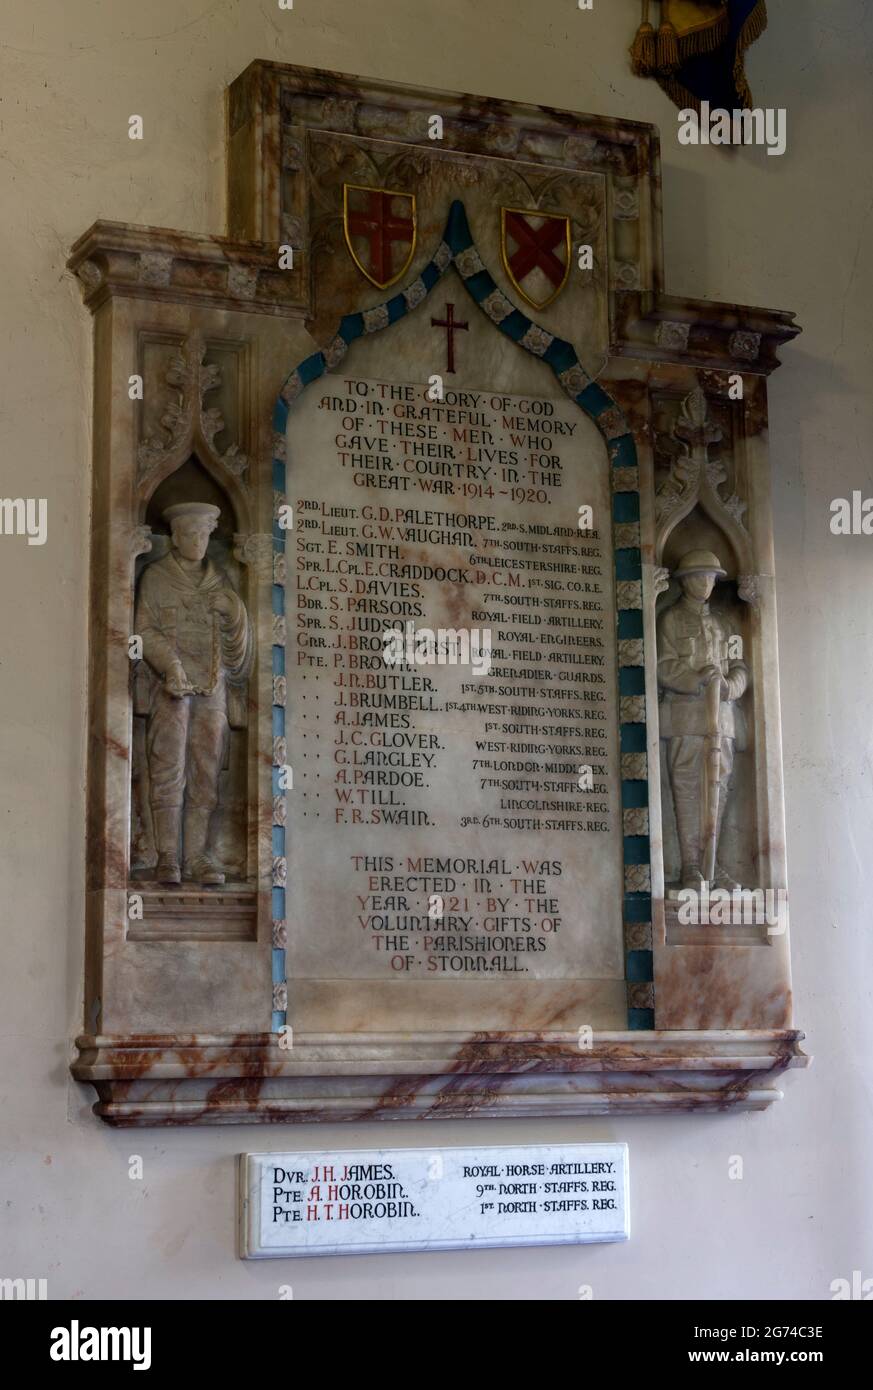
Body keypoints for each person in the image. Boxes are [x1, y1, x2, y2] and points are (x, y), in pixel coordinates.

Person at [134, 502, 252, 884]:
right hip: (170, 687)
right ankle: (167, 855)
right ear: (175, 538)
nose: (199, 542)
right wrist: (171, 665)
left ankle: (198, 856)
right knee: (168, 765)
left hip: (212, 687)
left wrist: (233, 610)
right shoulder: (156, 577)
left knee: (205, 769)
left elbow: (241, 643)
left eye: (205, 534)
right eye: (191, 534)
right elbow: (143, 632)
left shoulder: (220, 582)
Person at [657, 549, 748, 890]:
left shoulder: (724, 624)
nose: (707, 583)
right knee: (688, 791)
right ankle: (691, 866)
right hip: (686, 720)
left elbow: (740, 666)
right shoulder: (671, 620)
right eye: (700, 576)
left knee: (718, 790)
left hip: (722, 721)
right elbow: (664, 666)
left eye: (712, 577)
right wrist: (697, 678)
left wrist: (731, 686)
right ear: (684, 581)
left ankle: (713, 865)